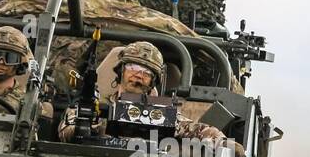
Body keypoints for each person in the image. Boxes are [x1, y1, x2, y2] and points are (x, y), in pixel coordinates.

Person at [58, 42, 231, 148]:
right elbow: (67, 132)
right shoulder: (94, 106)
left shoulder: (159, 115)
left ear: (152, 81)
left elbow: (197, 130)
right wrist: (96, 123)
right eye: (133, 68)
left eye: (146, 72)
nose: (138, 76)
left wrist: (222, 142)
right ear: (121, 72)